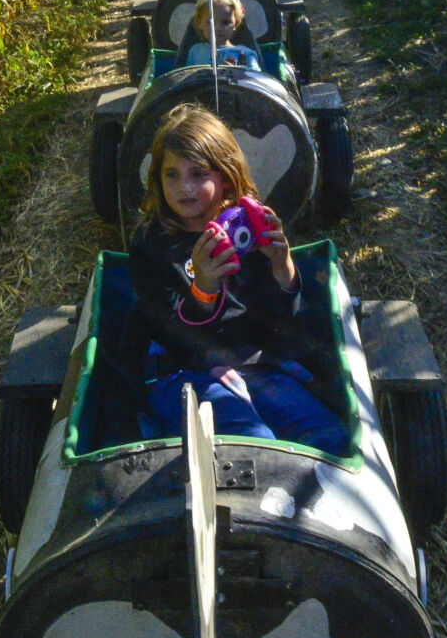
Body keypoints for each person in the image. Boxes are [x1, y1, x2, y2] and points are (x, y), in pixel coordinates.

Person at [127, 106, 347, 453]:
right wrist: (203, 287)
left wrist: (282, 267)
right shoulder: (152, 243)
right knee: (253, 445)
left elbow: (278, 319)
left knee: (329, 440)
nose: (184, 187)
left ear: (226, 177)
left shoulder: (246, 226)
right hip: (182, 373)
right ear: (157, 179)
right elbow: (168, 328)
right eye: (171, 174)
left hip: (254, 366)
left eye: (198, 173)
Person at [179, 0, 263, 71]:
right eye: (211, 22)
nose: (218, 28)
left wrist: (241, 71)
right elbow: (186, 78)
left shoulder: (245, 53)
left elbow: (258, 79)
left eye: (225, 22)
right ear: (199, 23)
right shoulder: (195, 51)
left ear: (236, 24)